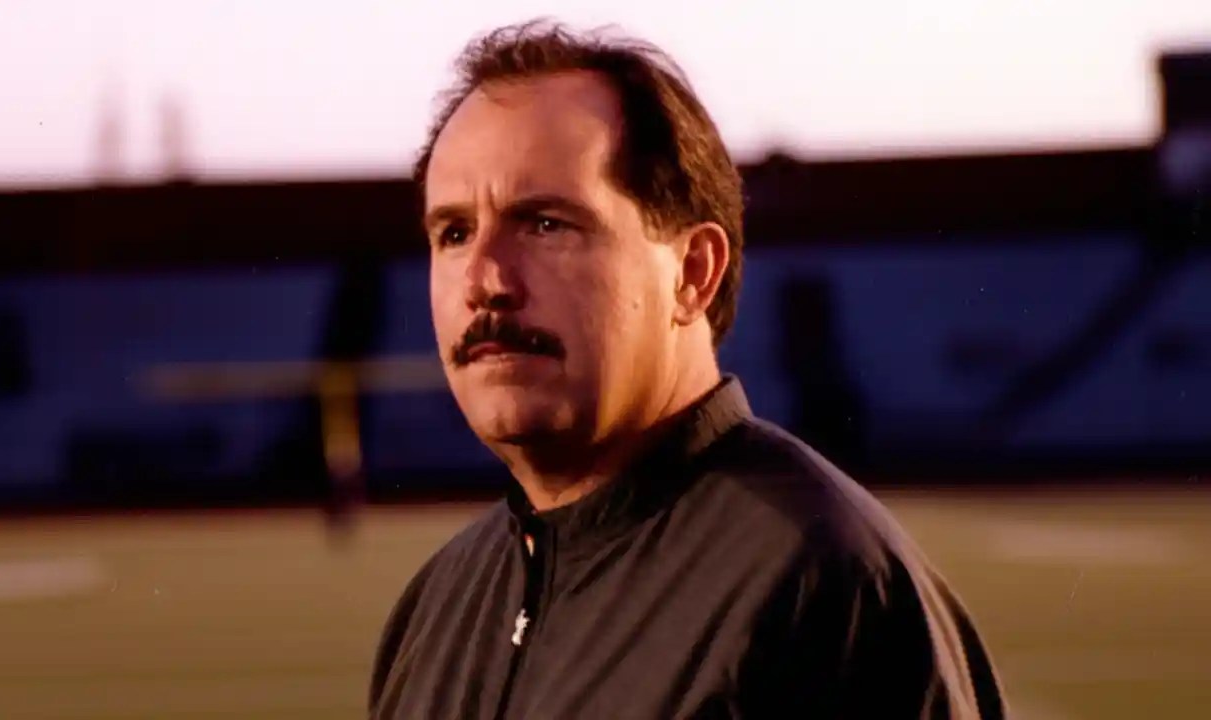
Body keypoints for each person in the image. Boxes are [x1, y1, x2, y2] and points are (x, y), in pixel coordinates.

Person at [370, 21, 1006, 719]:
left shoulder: (817, 585)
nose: (485, 279)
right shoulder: (437, 608)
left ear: (692, 275)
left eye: (545, 223)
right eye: (454, 233)